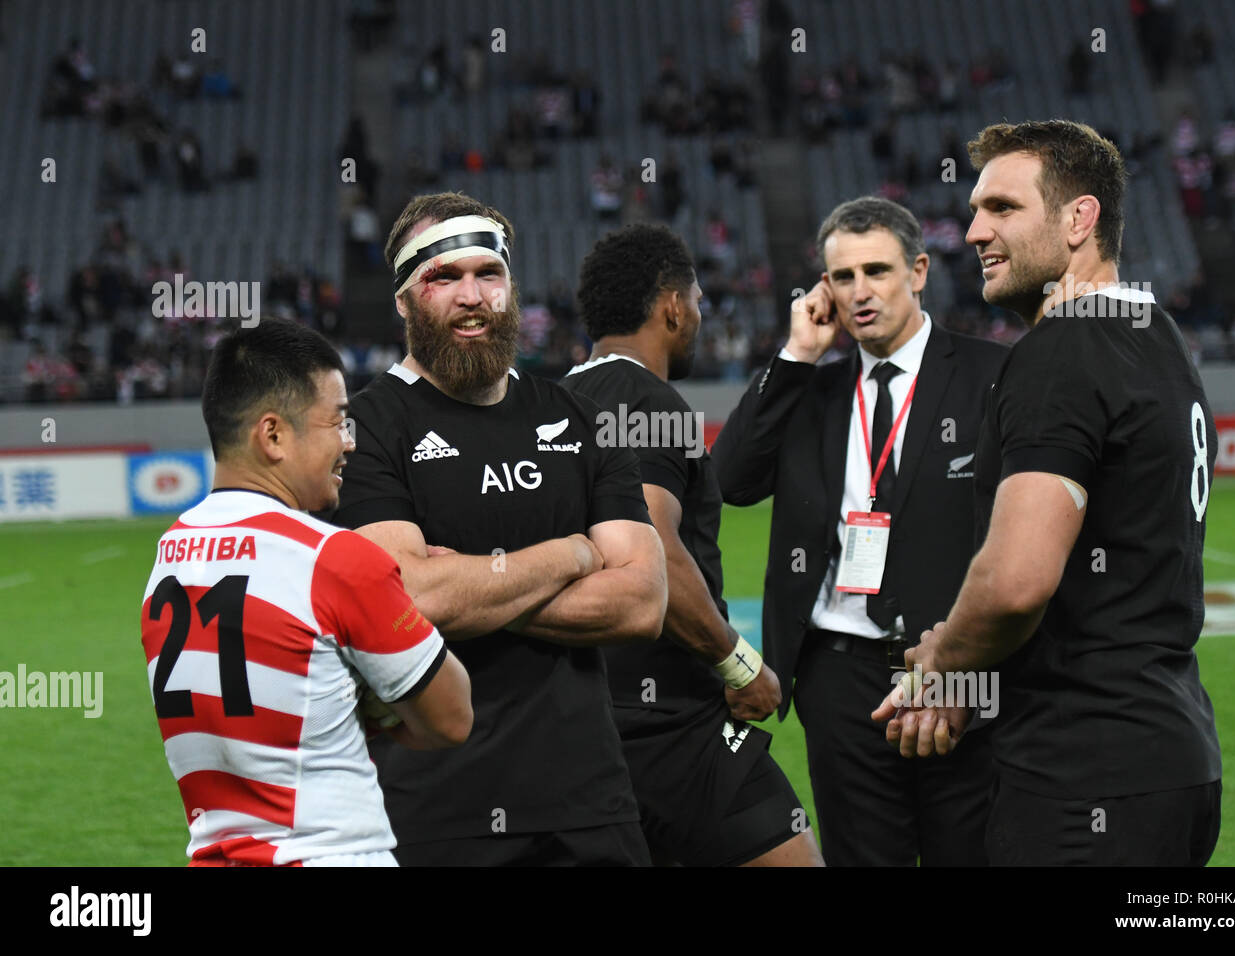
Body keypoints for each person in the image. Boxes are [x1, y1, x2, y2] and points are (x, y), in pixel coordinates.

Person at [874, 119, 1223, 866]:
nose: (972, 232)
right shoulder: (1155, 335)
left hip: (1082, 774)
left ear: (1079, 218)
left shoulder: (1061, 349)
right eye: (974, 210)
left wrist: (941, 668)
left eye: (1001, 208)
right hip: (1175, 757)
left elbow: (1014, 583)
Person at [331, 192, 668, 866]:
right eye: (443, 278)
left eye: (488, 273)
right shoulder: (364, 430)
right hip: (436, 808)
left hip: (590, 804)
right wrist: (570, 554)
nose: (471, 296)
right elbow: (408, 601)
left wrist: (473, 587)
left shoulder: (580, 418)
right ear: (403, 300)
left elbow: (642, 602)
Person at [712, 196, 1007, 865]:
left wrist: (967, 671)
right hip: (837, 677)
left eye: (877, 270)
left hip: (952, 673)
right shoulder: (809, 389)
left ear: (920, 270)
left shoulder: (992, 377)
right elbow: (730, 480)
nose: (860, 292)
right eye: (842, 277)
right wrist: (795, 354)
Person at [140, 318, 473, 867]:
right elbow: (451, 717)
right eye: (338, 422)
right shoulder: (333, 558)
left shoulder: (168, 560)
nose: (349, 443)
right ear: (272, 435)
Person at [562, 224, 823, 866]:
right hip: (673, 726)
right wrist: (737, 663)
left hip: (582, 722)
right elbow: (650, 548)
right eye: (699, 302)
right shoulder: (651, 400)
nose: (700, 317)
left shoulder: (556, 400)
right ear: (671, 306)